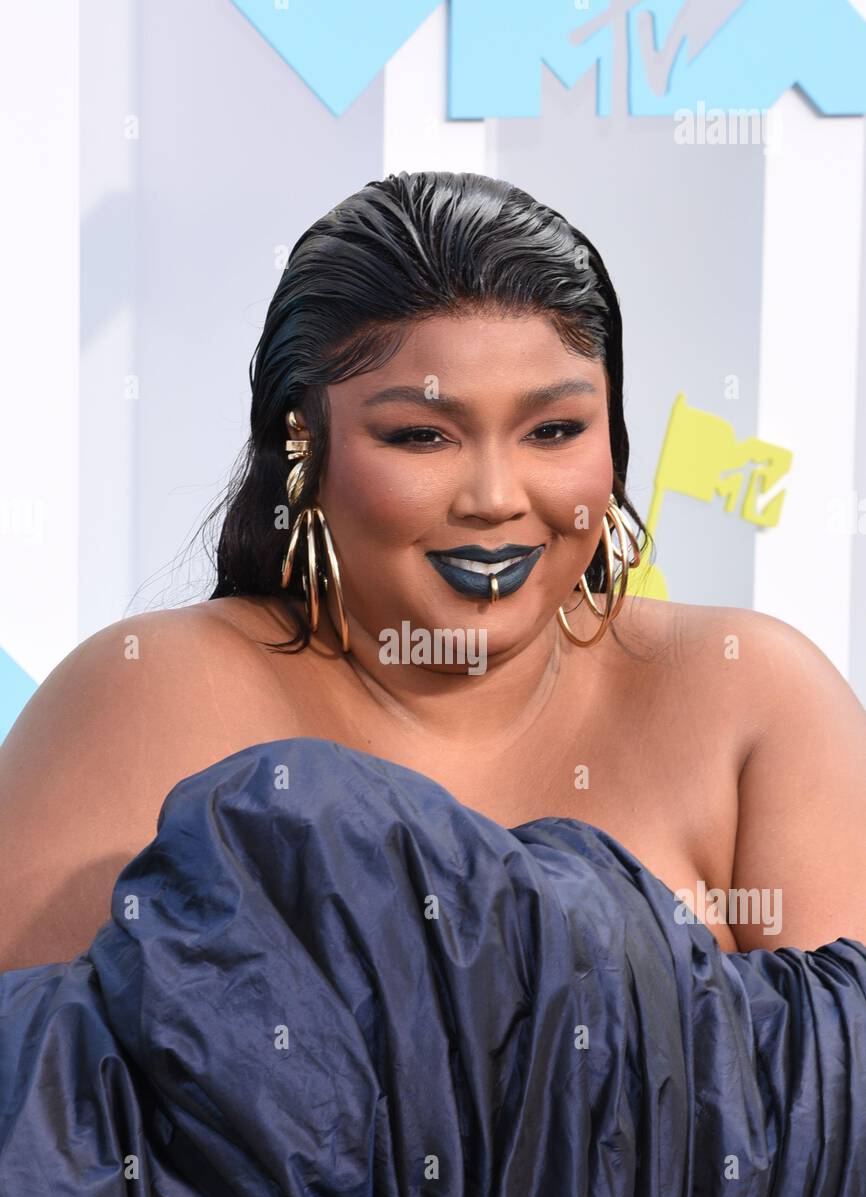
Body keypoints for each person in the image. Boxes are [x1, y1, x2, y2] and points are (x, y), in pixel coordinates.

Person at [1, 169, 865, 972]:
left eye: (555, 431)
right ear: (304, 446)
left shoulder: (752, 697)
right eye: (423, 435)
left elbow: (835, 1105)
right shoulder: (141, 699)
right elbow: (45, 1094)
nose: (494, 498)